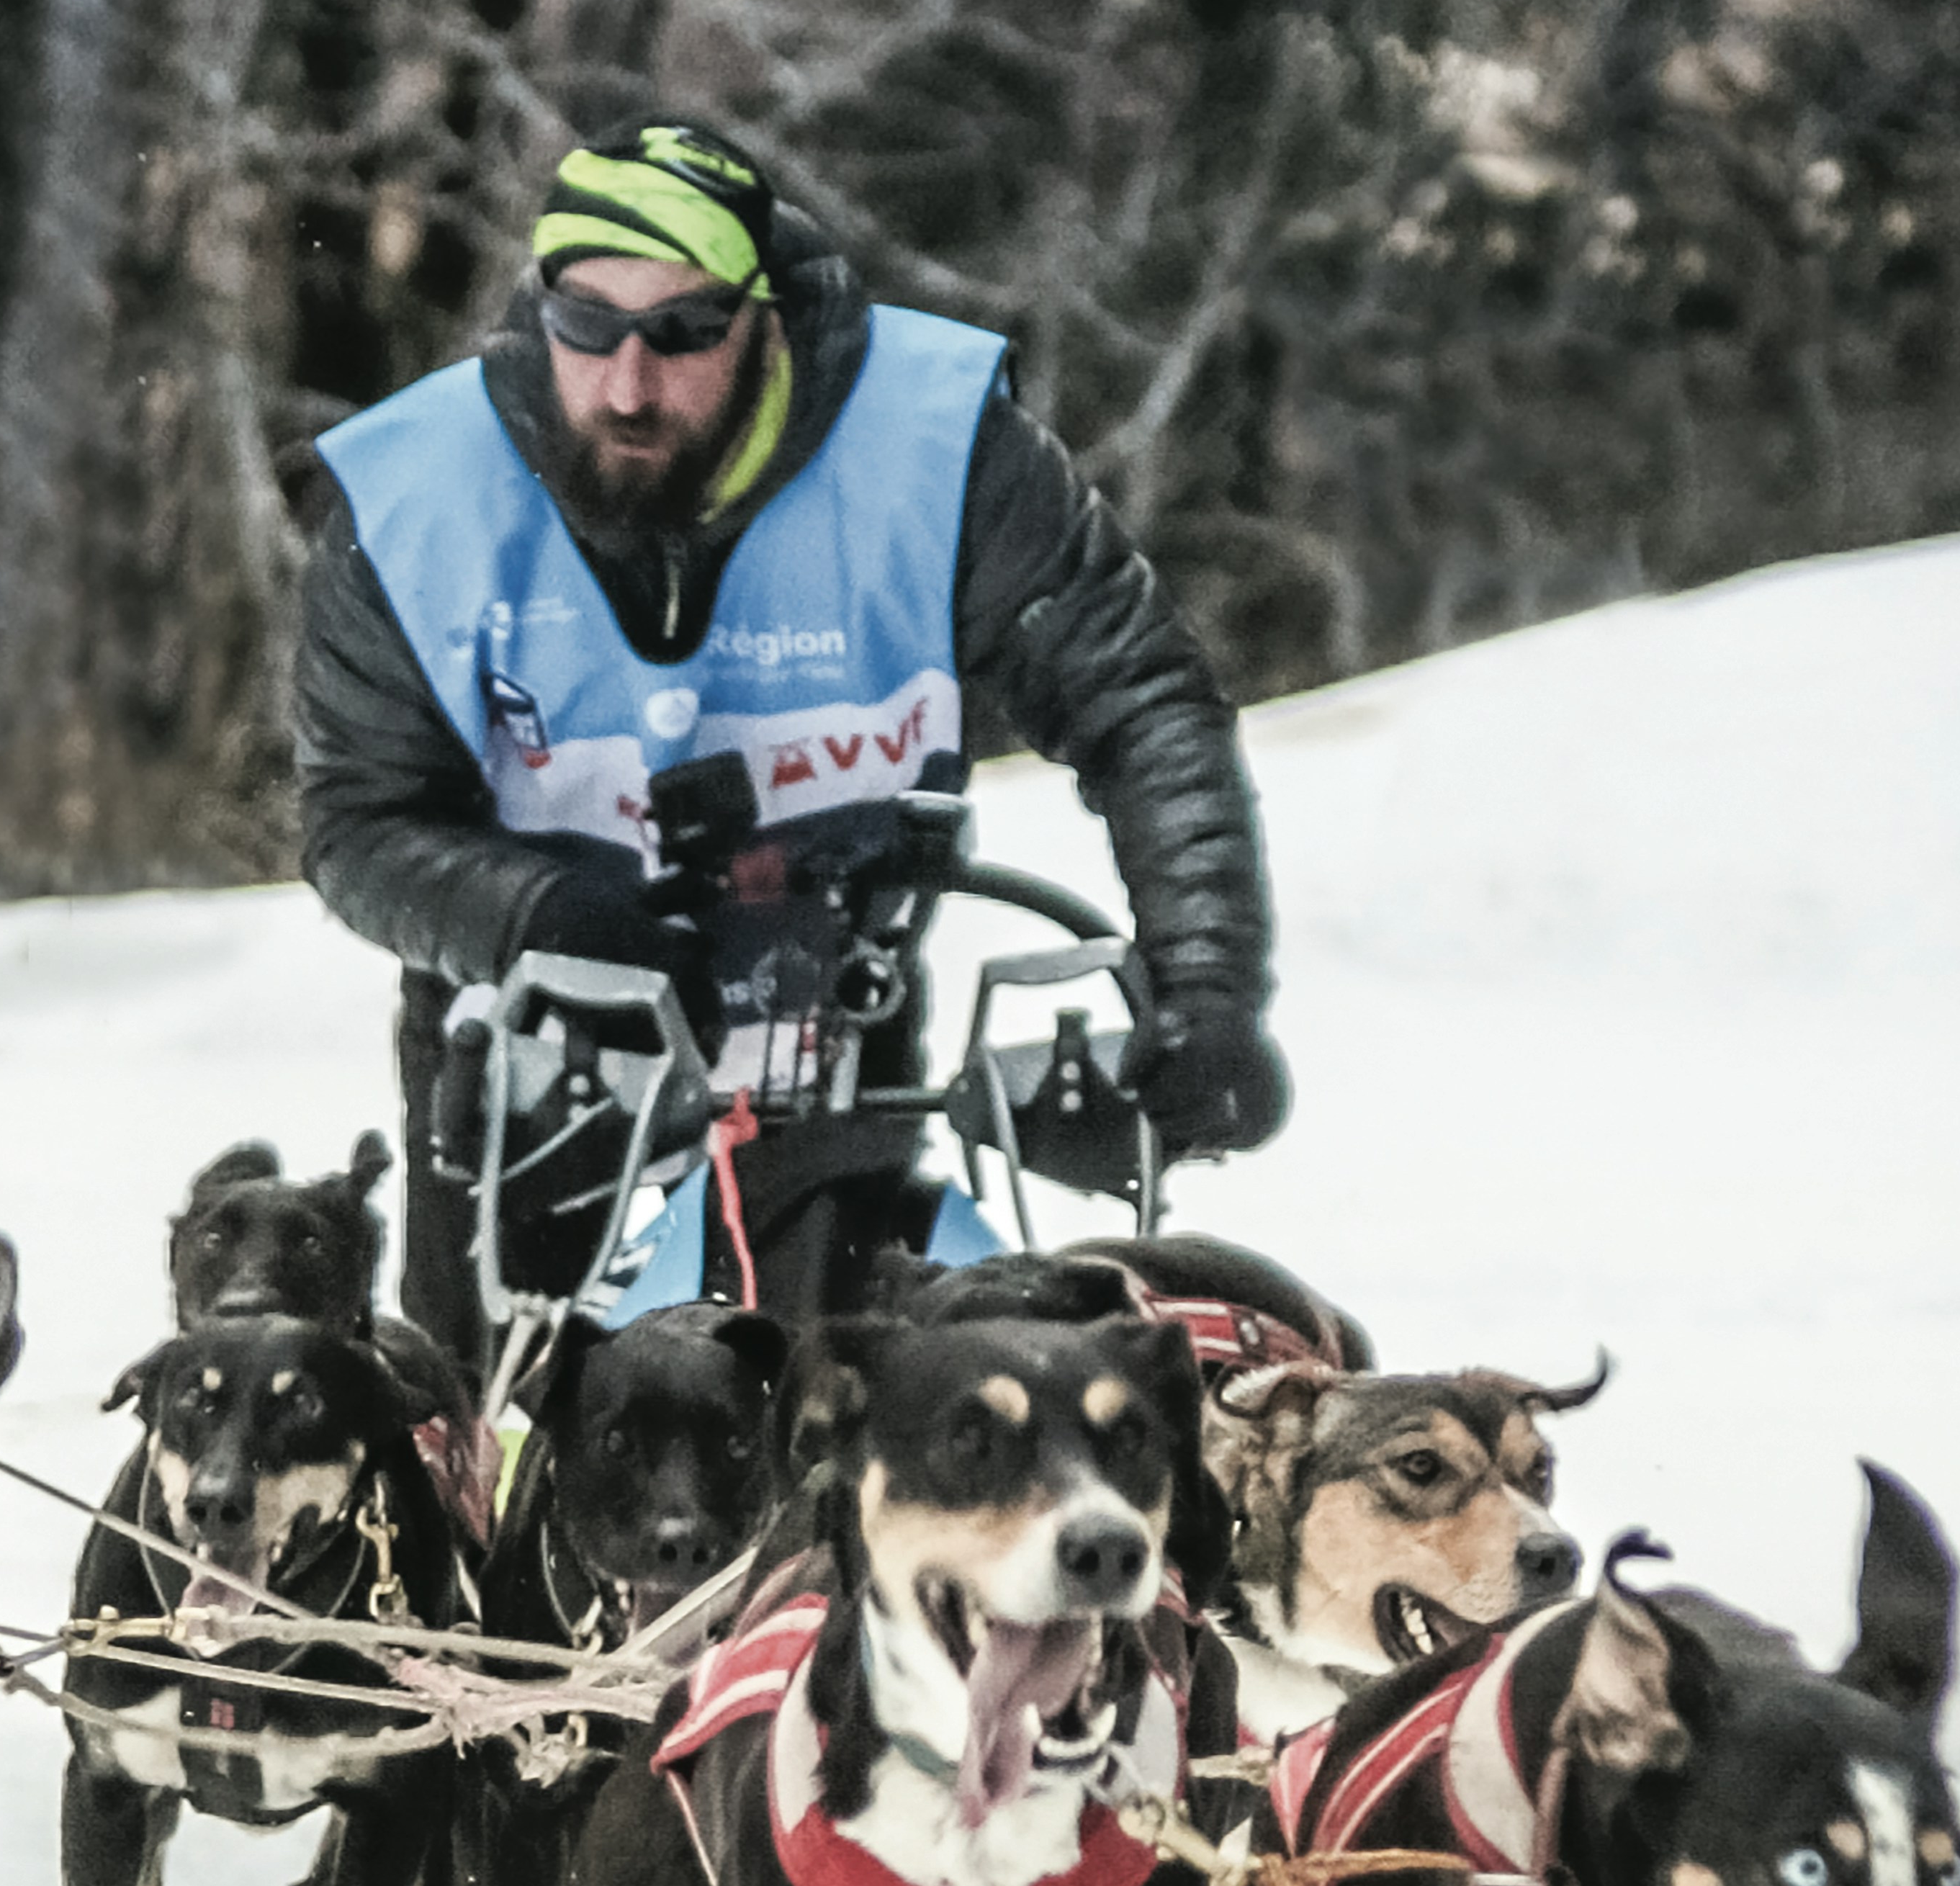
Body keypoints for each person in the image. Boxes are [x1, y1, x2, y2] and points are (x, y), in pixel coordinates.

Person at [294, 115, 1288, 1365]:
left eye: (683, 331)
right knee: (504, 1450)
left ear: (762, 316)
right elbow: (352, 821)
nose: (627, 382)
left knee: (830, 1421)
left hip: (831, 1019)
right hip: (531, 1052)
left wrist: (1204, 983)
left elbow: (1140, 702)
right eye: (586, 326)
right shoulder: (416, 495)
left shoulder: (936, 449)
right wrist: (531, 911)